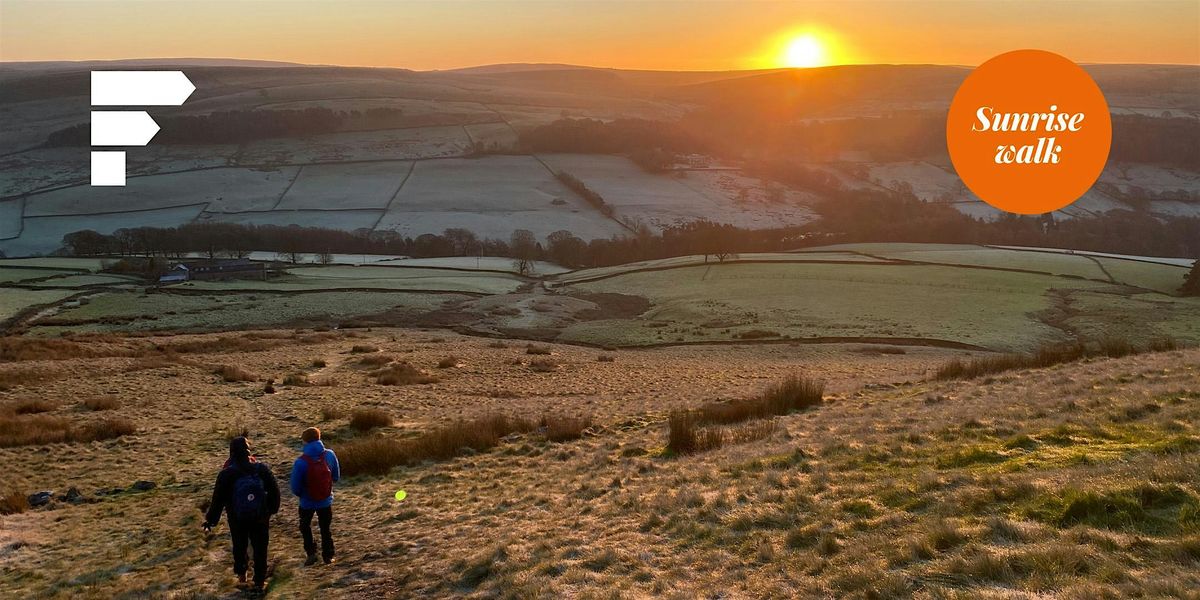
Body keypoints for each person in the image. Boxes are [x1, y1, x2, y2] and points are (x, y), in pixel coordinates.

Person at [203, 436, 281, 592]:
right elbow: (275, 491)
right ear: (248, 451)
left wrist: (211, 520)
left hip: (237, 518)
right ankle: (259, 580)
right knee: (260, 547)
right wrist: (270, 510)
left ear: (231, 453)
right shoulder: (261, 469)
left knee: (239, 545)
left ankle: (242, 574)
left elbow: (217, 500)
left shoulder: (226, 474)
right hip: (260, 516)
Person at [289, 427, 340, 566]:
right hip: (325, 500)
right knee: (325, 528)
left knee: (305, 527)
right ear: (319, 437)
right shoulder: (330, 455)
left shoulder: (300, 462)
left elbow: (295, 487)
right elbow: (336, 476)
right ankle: (328, 555)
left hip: (307, 502)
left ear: (305, 441)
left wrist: (303, 495)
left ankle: (311, 553)